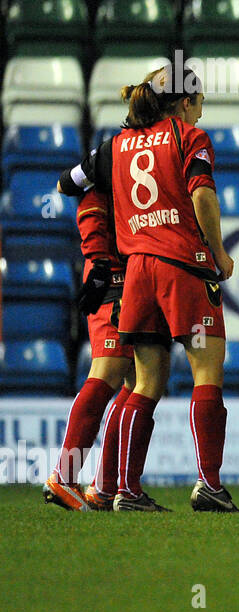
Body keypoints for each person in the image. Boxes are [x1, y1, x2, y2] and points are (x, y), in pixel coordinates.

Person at [57, 63, 237, 513]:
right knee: (206, 373)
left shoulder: (117, 146)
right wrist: (218, 253)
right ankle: (209, 485)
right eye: (199, 103)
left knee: (144, 383)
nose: (200, 112)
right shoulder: (188, 137)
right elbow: (202, 194)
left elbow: (68, 183)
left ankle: (125, 491)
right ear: (184, 102)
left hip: (136, 275)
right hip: (183, 267)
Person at [42, 185, 135, 511]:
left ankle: (106, 487)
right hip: (112, 284)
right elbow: (89, 210)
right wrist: (99, 266)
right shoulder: (103, 182)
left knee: (138, 383)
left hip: (133, 281)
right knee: (108, 371)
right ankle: (63, 476)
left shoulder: (124, 170)